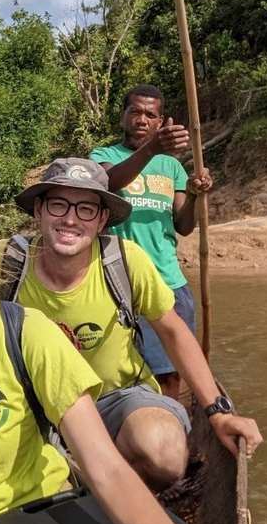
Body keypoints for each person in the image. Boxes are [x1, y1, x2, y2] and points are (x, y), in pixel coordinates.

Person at [0, 169, 263, 524]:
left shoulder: (30, 328)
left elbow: (109, 468)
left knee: (153, 450)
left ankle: (124, 512)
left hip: (41, 521)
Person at [0, 158, 261, 493]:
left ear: (102, 220)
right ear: (39, 211)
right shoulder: (4, 261)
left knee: (163, 452)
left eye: (86, 209)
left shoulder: (123, 260)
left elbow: (174, 332)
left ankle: (107, 476)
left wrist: (218, 413)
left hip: (115, 397)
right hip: (33, 407)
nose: (70, 219)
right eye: (58, 205)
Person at [90, 84, 212, 398]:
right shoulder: (103, 156)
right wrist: (152, 149)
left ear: (160, 122)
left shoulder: (172, 167)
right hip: (116, 284)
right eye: (135, 112)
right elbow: (108, 183)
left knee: (171, 377)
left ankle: (174, 437)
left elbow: (184, 226)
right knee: (115, 375)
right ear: (122, 117)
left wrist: (197, 195)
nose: (142, 119)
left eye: (150, 115)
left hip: (166, 283)